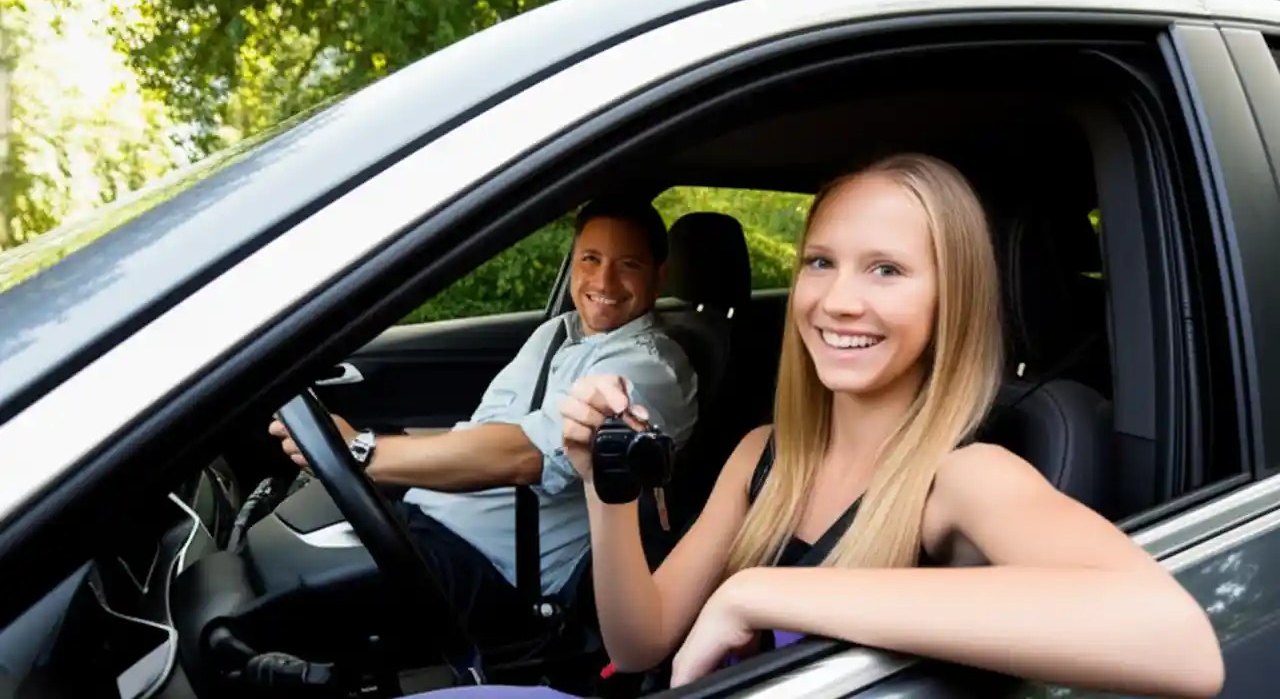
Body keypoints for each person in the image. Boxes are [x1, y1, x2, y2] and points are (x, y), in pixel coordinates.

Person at [560, 155, 1225, 697]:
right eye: (821, 262)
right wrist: (606, 486)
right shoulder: (764, 457)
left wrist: (759, 592)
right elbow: (639, 642)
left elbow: (1178, 642)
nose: (838, 301)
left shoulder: (963, 478)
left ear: (949, 299)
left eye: (886, 270)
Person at [269, 197, 698, 640]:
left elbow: (528, 455)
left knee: (281, 611)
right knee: (274, 568)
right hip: (426, 522)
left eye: (628, 264)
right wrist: (374, 444)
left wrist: (363, 452)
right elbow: (488, 429)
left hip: (494, 573)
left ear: (658, 276)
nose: (603, 280)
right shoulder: (558, 332)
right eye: (591, 259)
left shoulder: (650, 369)